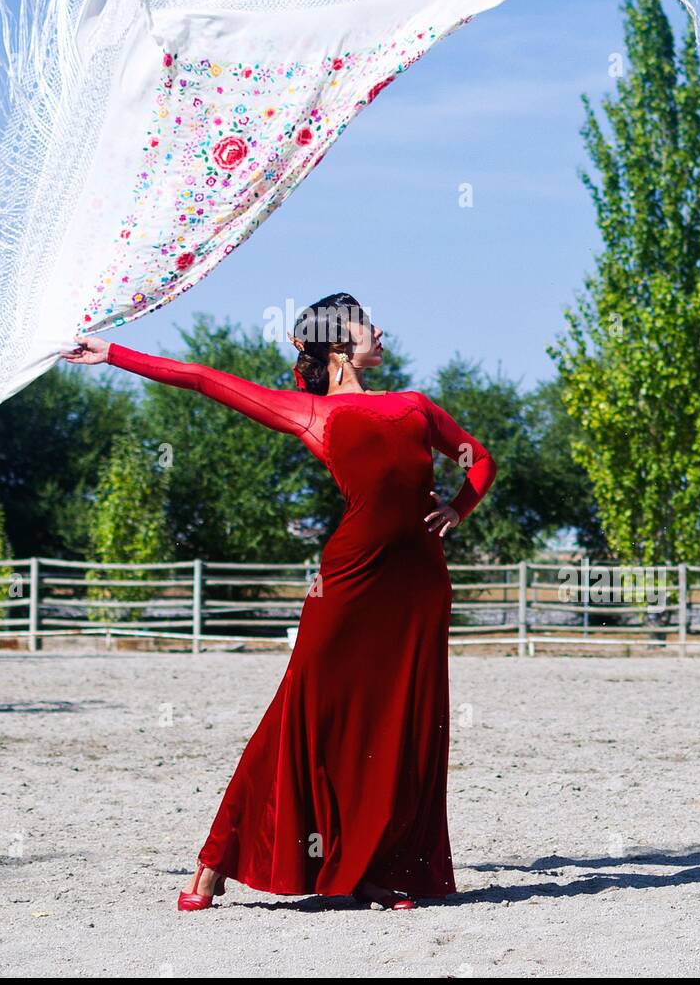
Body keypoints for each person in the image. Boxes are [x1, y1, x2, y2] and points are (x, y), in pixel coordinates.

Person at [62, 292, 496, 910]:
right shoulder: (311, 413)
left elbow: (479, 459)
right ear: (340, 342)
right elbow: (202, 379)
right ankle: (215, 860)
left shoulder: (417, 406)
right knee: (305, 709)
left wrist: (459, 506)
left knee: (398, 720)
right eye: (369, 323)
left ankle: (369, 867)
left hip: (420, 584)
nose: (381, 330)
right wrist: (113, 354)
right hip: (350, 582)